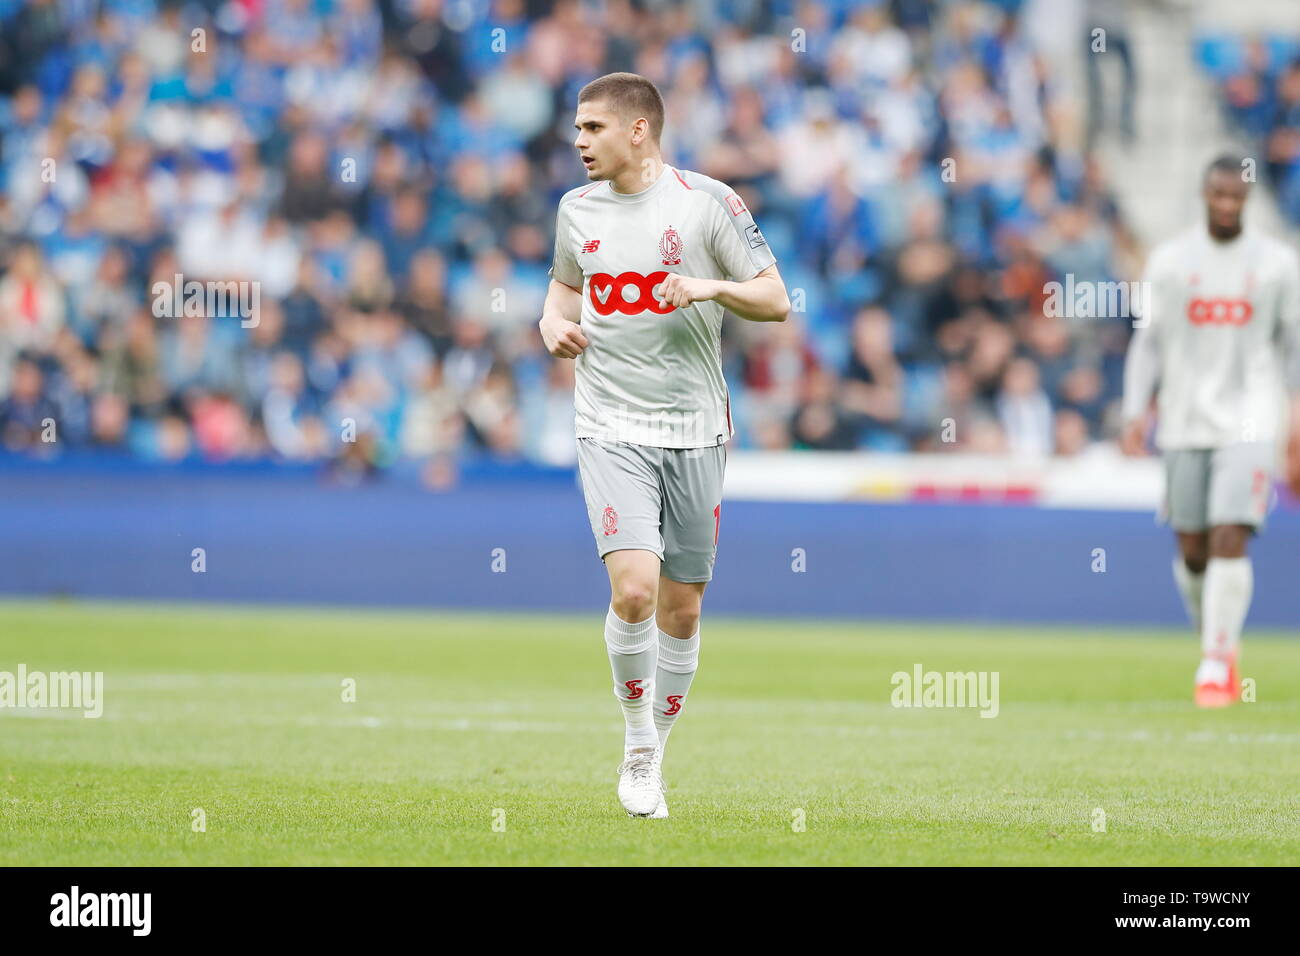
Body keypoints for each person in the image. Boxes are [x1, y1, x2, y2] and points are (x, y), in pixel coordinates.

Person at [538, 72, 790, 817]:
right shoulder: (574, 210)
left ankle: (660, 748)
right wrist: (552, 325)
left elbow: (775, 299)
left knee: (682, 608)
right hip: (610, 424)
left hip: (695, 429)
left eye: (592, 128)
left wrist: (709, 288)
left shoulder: (706, 203)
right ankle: (638, 747)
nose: (579, 142)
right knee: (636, 590)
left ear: (637, 130)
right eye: (578, 129)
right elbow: (560, 290)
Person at [1121, 153, 1300, 707]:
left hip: (1251, 416)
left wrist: (1295, 414)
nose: (1226, 205)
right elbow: (1147, 341)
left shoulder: (1276, 264)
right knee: (1192, 548)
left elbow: (1292, 347)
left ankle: (1216, 665)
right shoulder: (1172, 261)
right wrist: (1135, 409)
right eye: (1218, 195)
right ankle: (1215, 640)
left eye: (1236, 197)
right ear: (1205, 195)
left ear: (1247, 199)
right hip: (1182, 419)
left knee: (1230, 533)